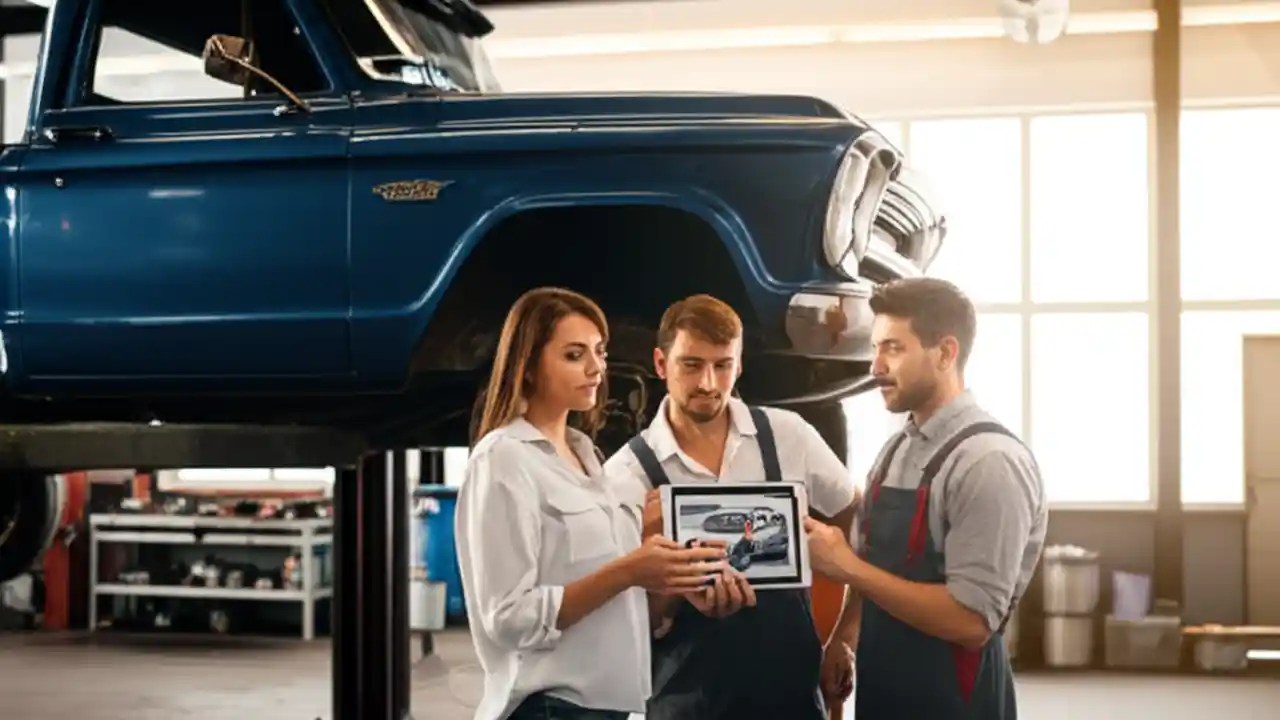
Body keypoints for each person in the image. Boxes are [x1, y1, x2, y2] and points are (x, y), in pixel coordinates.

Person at [455, 287, 729, 720]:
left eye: (600, 352)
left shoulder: (587, 457)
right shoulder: (504, 458)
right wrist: (630, 569)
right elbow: (506, 618)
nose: (596, 368)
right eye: (574, 355)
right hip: (550, 708)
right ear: (527, 366)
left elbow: (603, 594)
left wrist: (667, 585)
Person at [604, 293, 862, 720]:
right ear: (660, 363)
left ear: (739, 365)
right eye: (691, 365)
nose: (708, 383)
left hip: (791, 702)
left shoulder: (788, 436)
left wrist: (846, 633)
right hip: (682, 704)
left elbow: (860, 518)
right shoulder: (627, 475)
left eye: (722, 365)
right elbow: (618, 624)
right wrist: (669, 590)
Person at [801, 277, 1048, 719]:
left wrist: (844, 566)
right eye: (875, 347)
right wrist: (845, 636)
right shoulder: (899, 447)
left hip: (956, 702)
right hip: (886, 692)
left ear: (946, 353)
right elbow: (875, 563)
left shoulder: (988, 463)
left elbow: (971, 622)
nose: (875, 365)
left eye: (894, 348)